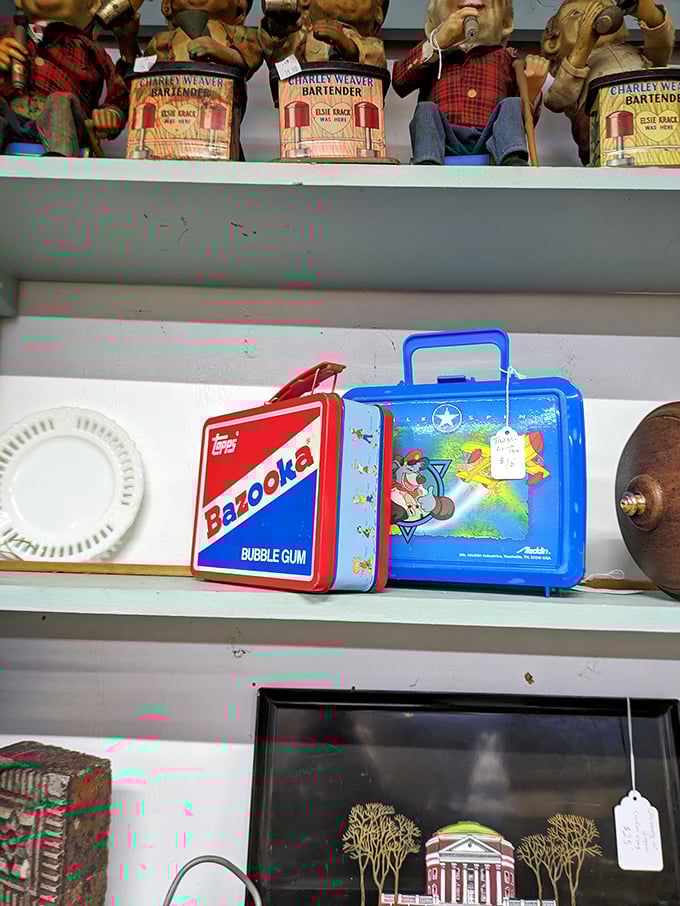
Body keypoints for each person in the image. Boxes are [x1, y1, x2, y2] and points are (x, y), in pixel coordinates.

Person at [392, 0, 549, 165]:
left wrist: (531, 90)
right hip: (444, 140)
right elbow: (399, 81)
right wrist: (437, 42)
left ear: (506, 22)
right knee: (425, 110)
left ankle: (512, 159)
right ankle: (427, 161)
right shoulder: (434, 57)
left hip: (491, 139)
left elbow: (519, 120)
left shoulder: (507, 59)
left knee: (511, 105)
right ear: (432, 22)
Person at [542, 0, 674, 164]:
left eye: (603, 8)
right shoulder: (574, 70)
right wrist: (584, 44)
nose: (594, 15)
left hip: (651, 124)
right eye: (576, 14)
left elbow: (662, 44)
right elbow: (556, 100)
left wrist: (644, 9)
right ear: (553, 43)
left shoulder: (638, 54)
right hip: (604, 133)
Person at [0, 0, 128, 155]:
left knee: (60, 102)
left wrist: (112, 114)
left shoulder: (89, 49)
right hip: (11, 122)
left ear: (92, 4)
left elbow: (120, 94)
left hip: (67, 126)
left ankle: (60, 164)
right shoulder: (7, 34)